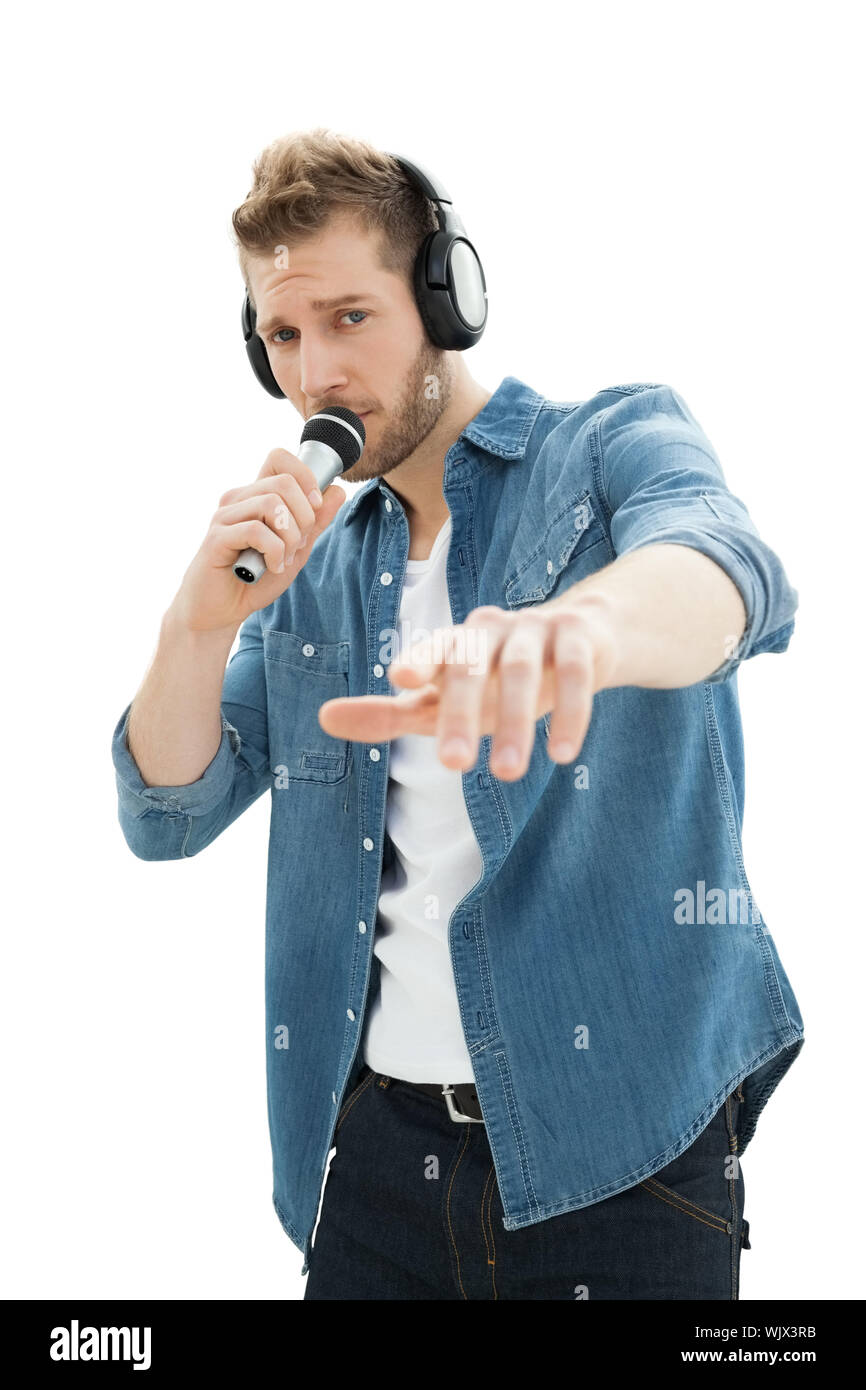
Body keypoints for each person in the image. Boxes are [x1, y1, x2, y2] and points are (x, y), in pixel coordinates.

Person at [110, 127, 804, 1300]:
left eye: (347, 317)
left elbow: (723, 566)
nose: (315, 373)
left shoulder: (607, 443)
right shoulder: (317, 578)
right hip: (375, 1178)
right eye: (281, 334)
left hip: (619, 1169)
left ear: (445, 293)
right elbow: (166, 811)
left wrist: (574, 632)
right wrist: (195, 625)